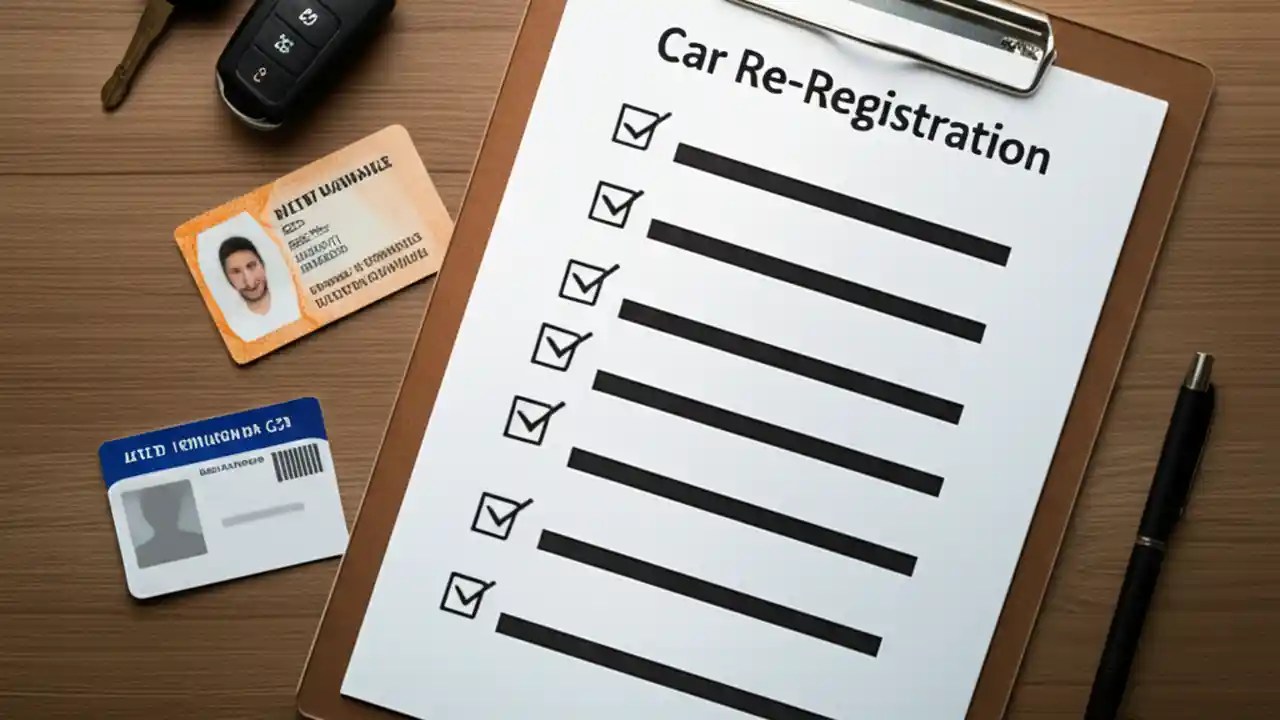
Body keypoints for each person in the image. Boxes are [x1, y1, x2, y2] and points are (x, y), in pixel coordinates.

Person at [216, 236, 298, 340]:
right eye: (236, 272)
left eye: (251, 266)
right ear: (228, 279)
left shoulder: (295, 301)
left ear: (262, 265)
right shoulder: (234, 329)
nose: (249, 282)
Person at [134, 483, 207, 568]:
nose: (162, 515)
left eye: (164, 507)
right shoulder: (199, 542)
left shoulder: (142, 555)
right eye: (156, 510)